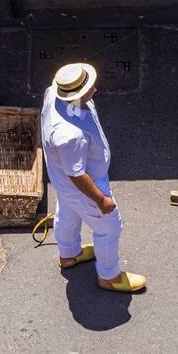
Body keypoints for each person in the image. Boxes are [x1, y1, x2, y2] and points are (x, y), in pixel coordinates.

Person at [40, 63, 146, 293]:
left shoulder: (53, 93)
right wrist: (101, 200)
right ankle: (109, 276)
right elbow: (77, 174)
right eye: (89, 88)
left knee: (67, 215)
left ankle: (69, 254)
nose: (95, 90)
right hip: (83, 187)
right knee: (109, 228)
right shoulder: (70, 136)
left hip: (63, 183)